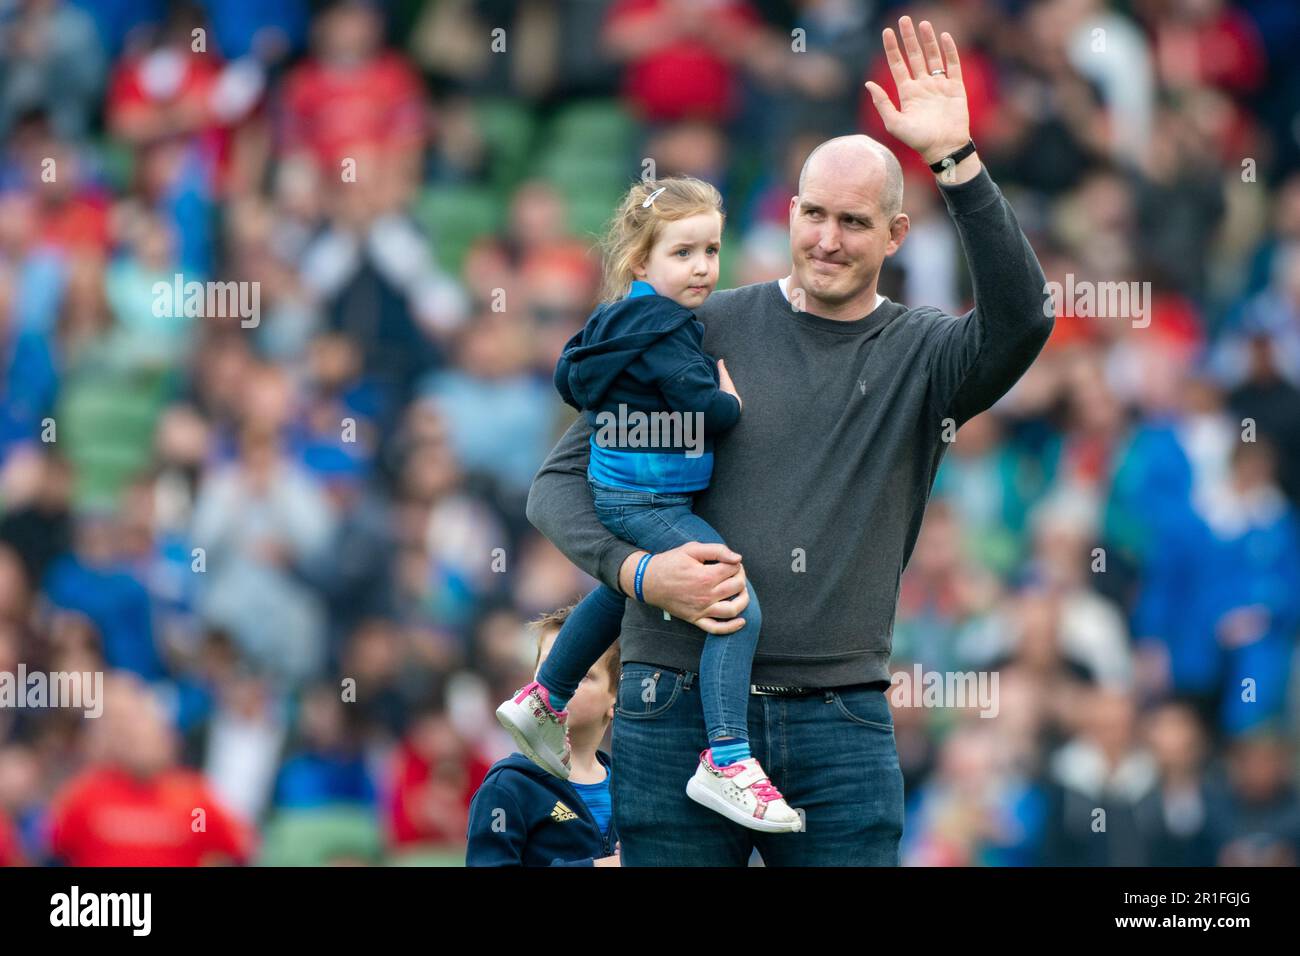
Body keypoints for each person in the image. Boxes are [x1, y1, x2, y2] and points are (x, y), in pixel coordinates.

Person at [526, 16, 1055, 865]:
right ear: (790, 207)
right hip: (672, 702)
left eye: (853, 221)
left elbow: (1024, 318)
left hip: (839, 716)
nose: (826, 239)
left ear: (895, 235)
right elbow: (556, 484)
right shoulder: (691, 327)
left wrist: (956, 161)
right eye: (813, 212)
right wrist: (638, 571)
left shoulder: (926, 357)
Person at [495, 175, 801, 833]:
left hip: (619, 491)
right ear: (642, 260)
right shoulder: (666, 327)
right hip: (652, 497)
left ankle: (543, 697)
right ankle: (727, 757)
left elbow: (569, 377)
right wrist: (730, 405)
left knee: (621, 590)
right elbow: (702, 405)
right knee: (733, 603)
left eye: (711, 251)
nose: (702, 269)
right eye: (683, 253)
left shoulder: (611, 320)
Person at [467, 606, 621, 866]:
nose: (562, 683)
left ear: (616, 700)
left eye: (583, 674)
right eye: (552, 669)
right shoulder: (507, 787)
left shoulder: (633, 788)